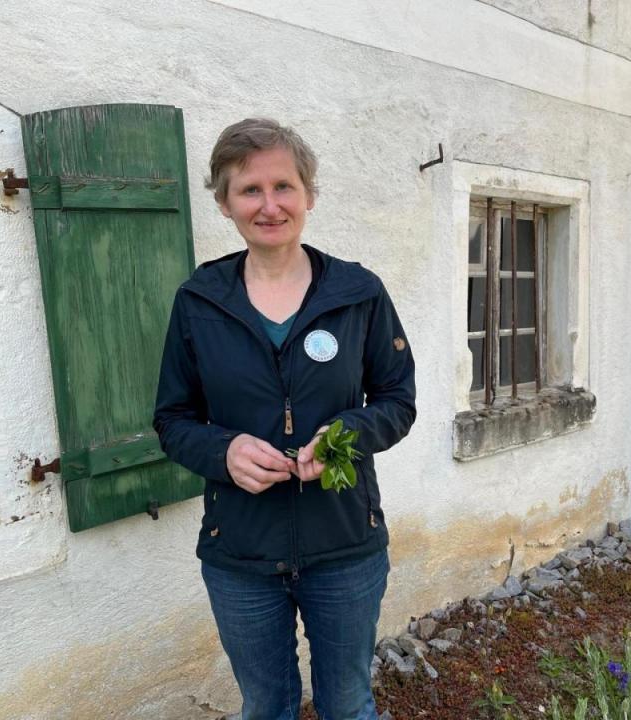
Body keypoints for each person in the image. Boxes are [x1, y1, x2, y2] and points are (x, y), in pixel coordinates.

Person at [153, 118, 416, 720]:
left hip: (345, 545)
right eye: (250, 190)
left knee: (348, 703)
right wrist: (223, 453)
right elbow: (173, 418)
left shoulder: (358, 293)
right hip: (240, 553)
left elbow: (398, 399)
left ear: (309, 195)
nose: (269, 206)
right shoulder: (199, 301)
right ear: (224, 203)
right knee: (266, 706)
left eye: (283, 187)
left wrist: (346, 436)